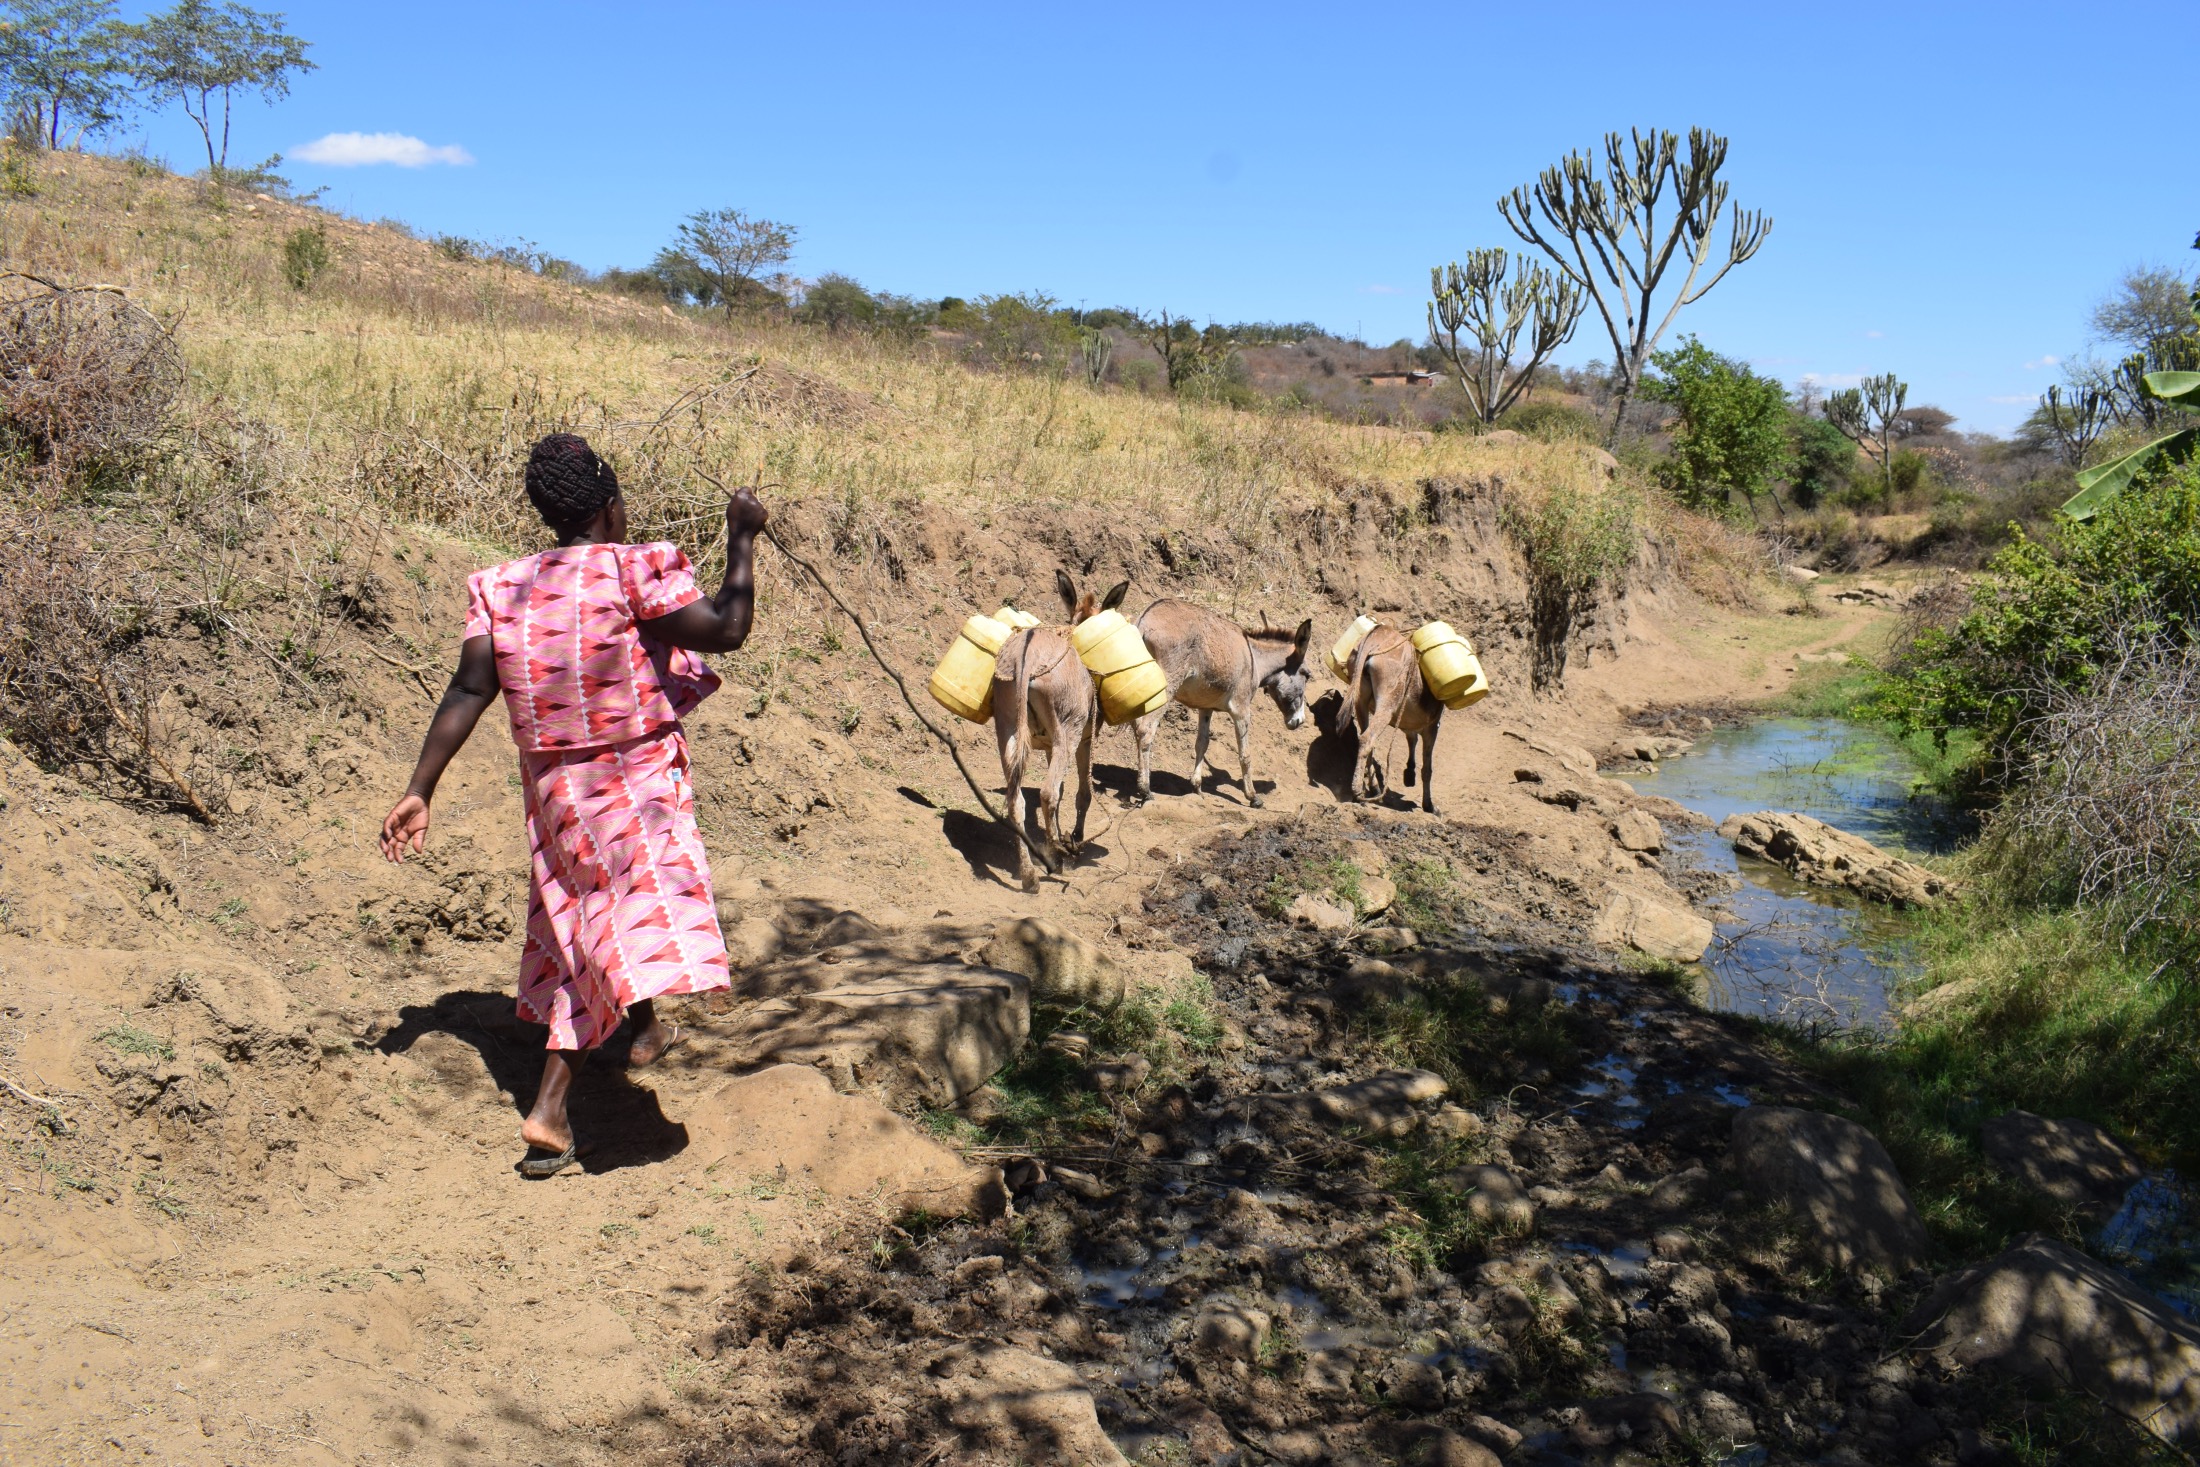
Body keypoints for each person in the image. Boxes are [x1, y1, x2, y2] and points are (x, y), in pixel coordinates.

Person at [379, 433, 766, 1178]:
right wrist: (742, 535)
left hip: (554, 791)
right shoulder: (631, 571)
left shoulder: (504, 587)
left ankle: (645, 1028)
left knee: (587, 911)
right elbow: (728, 628)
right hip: (631, 785)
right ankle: (552, 1108)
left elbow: (468, 690)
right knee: (608, 922)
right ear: (612, 506)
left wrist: (419, 786)